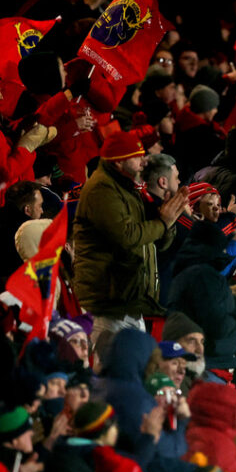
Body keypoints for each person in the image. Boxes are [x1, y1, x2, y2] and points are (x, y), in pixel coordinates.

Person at [73, 131, 188, 343]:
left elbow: (152, 242)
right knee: (113, 364)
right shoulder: (102, 189)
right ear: (118, 163)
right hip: (107, 299)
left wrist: (168, 223)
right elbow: (126, 236)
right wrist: (162, 223)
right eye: (136, 157)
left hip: (128, 299)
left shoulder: (127, 187)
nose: (143, 162)